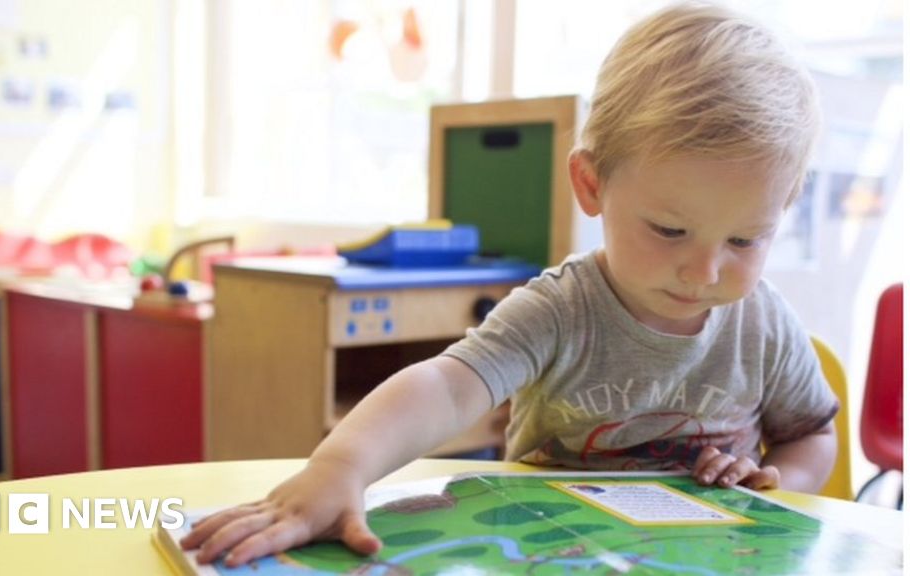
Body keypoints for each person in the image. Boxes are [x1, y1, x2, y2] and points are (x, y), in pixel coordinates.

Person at [182, 2, 837, 566]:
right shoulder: (560, 310)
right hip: (551, 553)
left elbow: (812, 433)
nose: (705, 272)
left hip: (710, 557)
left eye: (745, 241)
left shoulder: (765, 325)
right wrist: (339, 468)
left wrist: (774, 482)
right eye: (669, 230)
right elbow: (445, 385)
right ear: (591, 185)